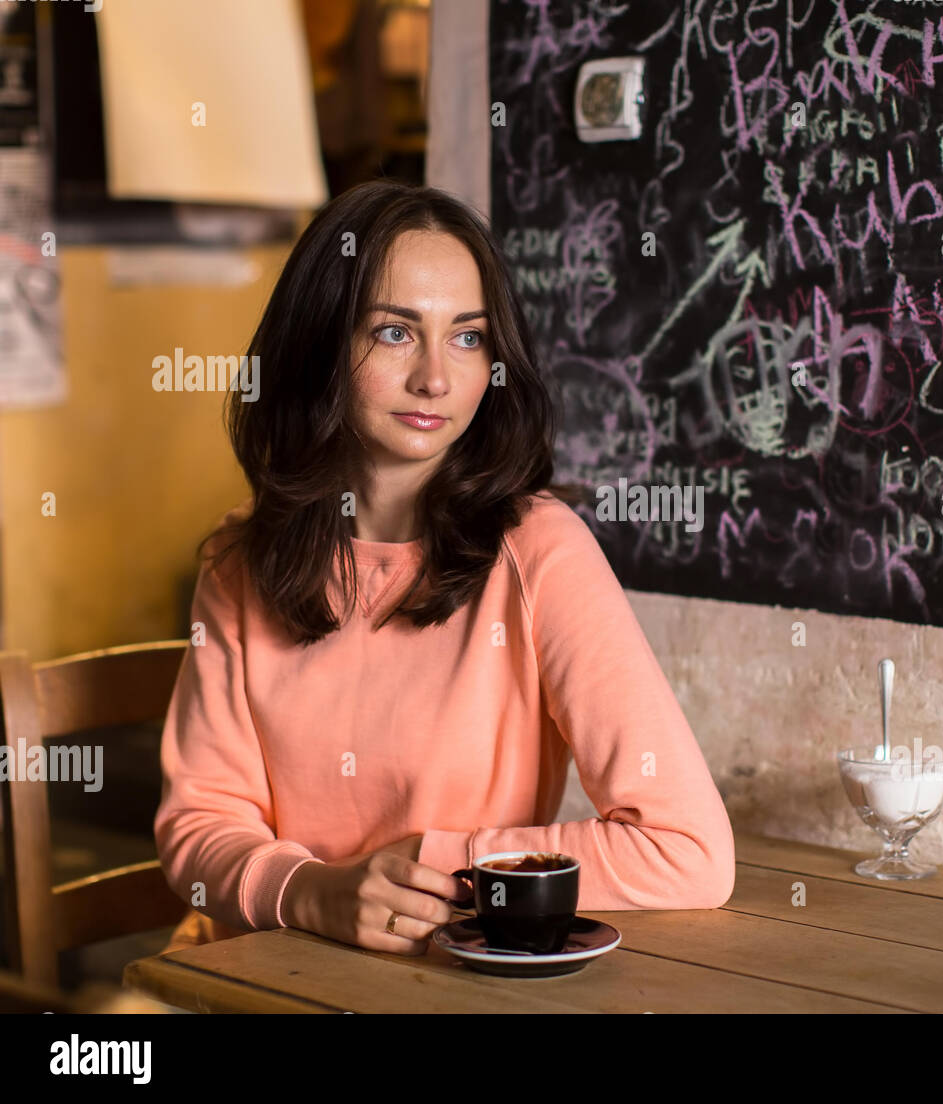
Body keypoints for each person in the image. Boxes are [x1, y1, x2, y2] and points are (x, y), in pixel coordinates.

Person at [155, 180, 734, 956]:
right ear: (320, 341)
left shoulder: (540, 551)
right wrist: (309, 892)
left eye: (467, 338)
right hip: (258, 979)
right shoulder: (239, 560)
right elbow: (198, 826)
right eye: (396, 333)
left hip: (444, 986)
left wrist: (433, 866)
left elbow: (687, 849)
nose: (437, 377)